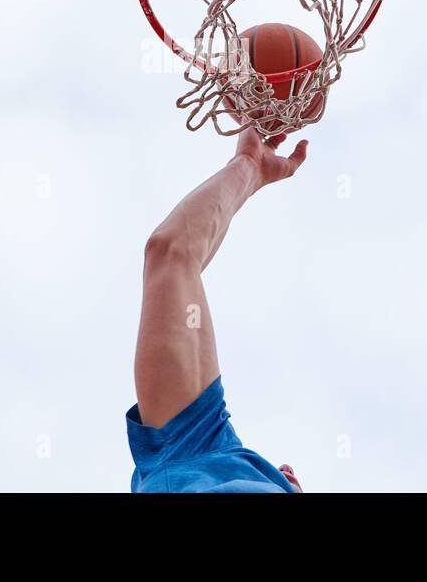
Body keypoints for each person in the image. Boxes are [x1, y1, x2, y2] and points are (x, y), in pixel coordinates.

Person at [126, 128, 308, 493]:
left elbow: (173, 256)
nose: (282, 471)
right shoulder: (201, 451)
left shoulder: (192, 451)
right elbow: (172, 253)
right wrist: (248, 168)